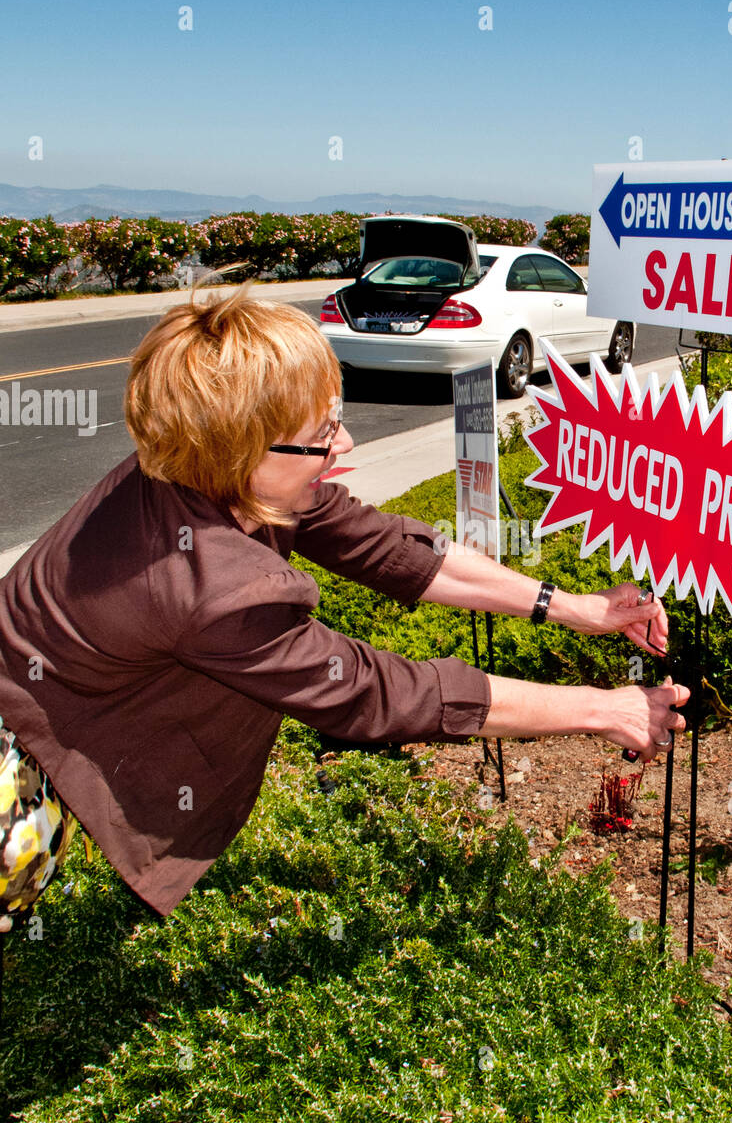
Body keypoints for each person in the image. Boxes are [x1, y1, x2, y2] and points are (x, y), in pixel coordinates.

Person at [0, 286, 688, 928]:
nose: (345, 445)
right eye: (322, 434)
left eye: (339, 420)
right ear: (239, 448)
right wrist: (606, 709)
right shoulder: (210, 586)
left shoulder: (205, 467)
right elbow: (376, 692)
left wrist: (573, 606)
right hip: (28, 769)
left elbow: (387, 547)